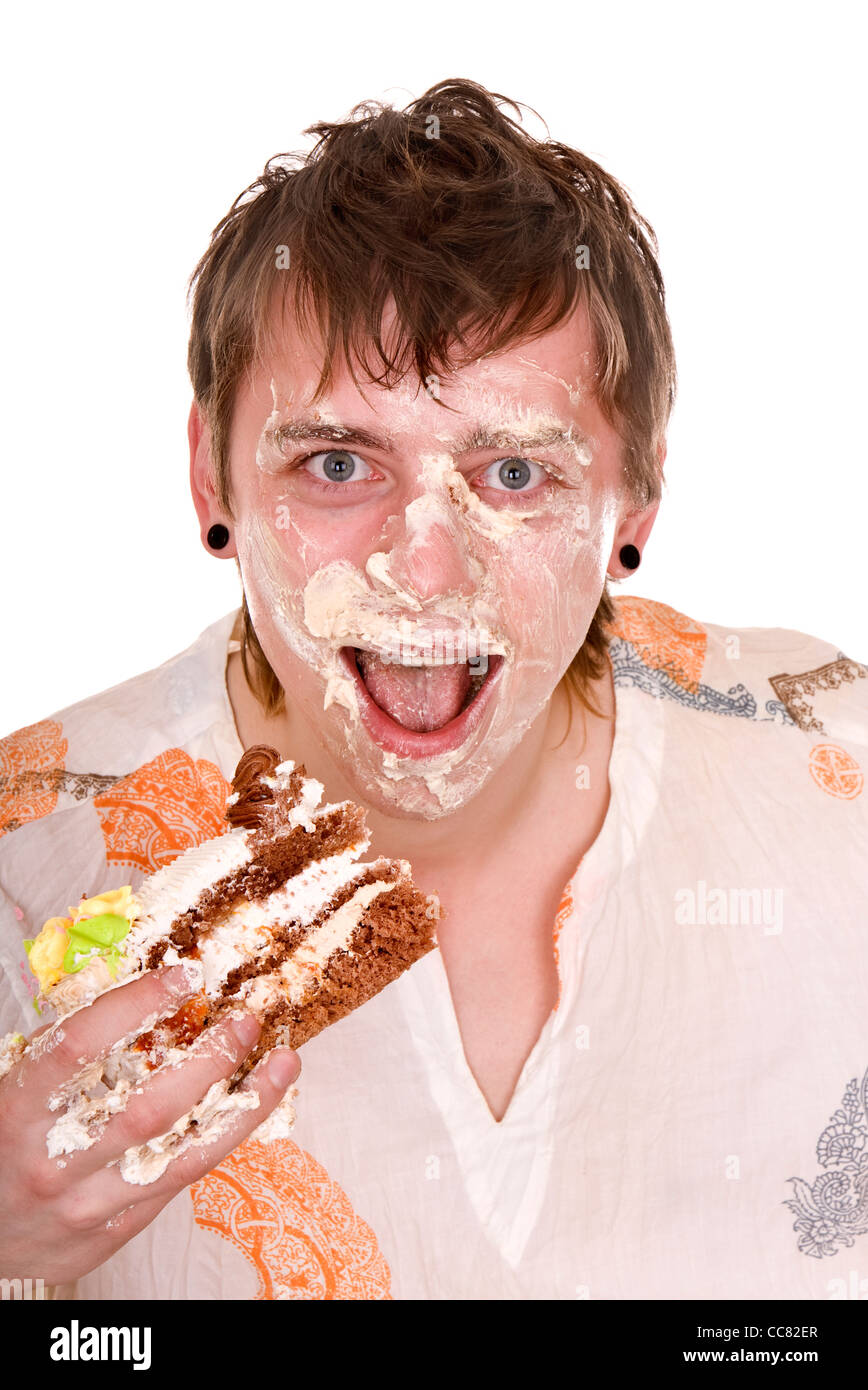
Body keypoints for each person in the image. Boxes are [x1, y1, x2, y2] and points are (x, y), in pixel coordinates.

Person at [1, 78, 865, 1301]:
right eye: (339, 462)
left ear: (641, 496)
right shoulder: (24, 861)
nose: (423, 565)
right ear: (211, 479)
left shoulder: (838, 770)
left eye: (514, 470)